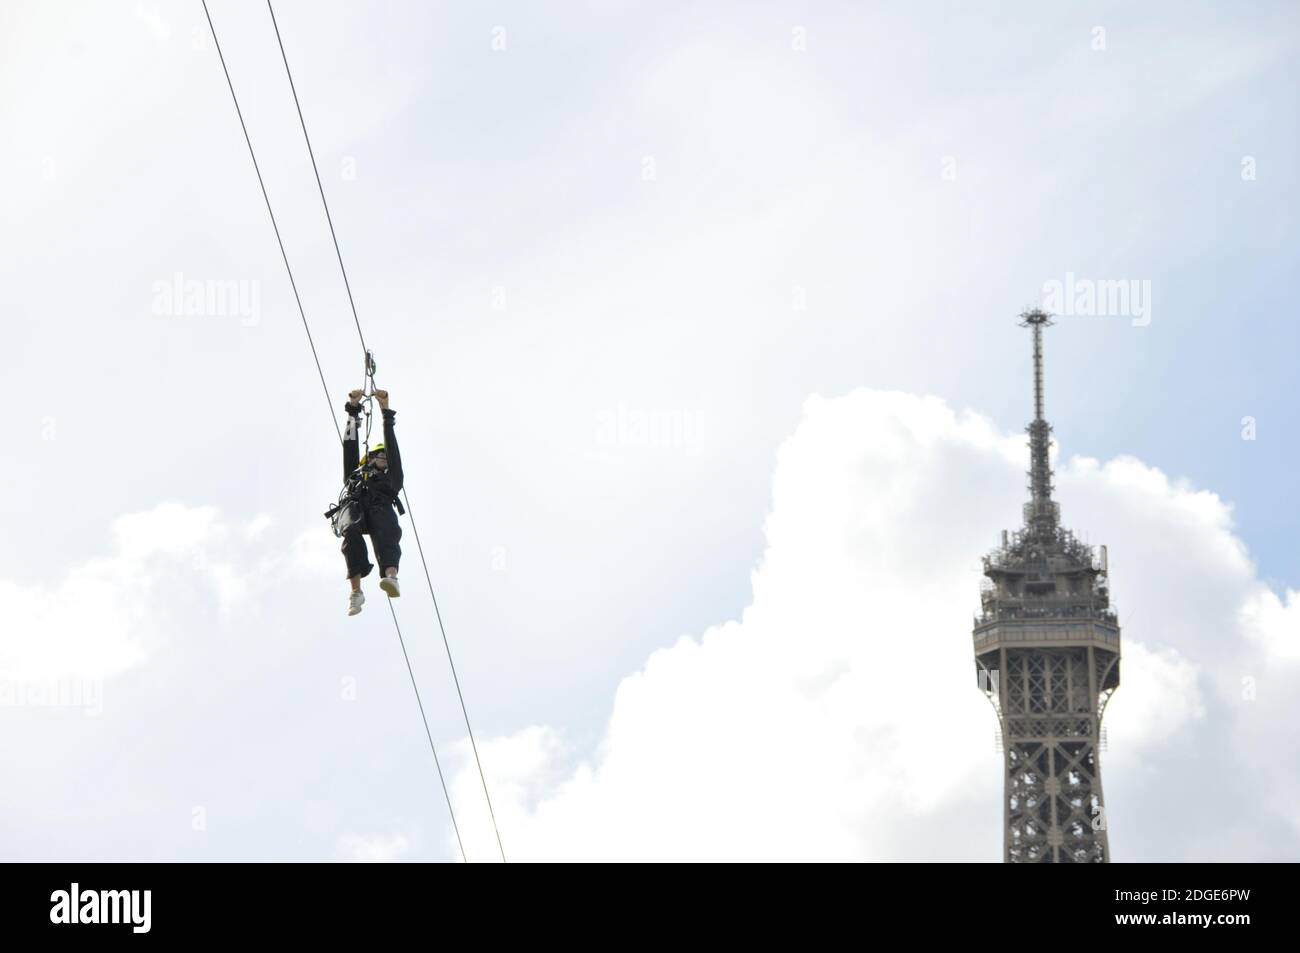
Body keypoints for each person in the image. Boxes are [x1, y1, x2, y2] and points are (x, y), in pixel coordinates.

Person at [340, 388, 403, 616]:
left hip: (379, 507)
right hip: (356, 504)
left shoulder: (391, 480)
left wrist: (386, 411)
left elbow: (393, 449)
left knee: (387, 530)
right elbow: (349, 447)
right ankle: (356, 592)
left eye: (387, 458)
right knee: (350, 530)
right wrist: (352, 410)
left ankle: (391, 576)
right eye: (381, 456)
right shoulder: (354, 476)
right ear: (370, 458)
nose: (386, 460)